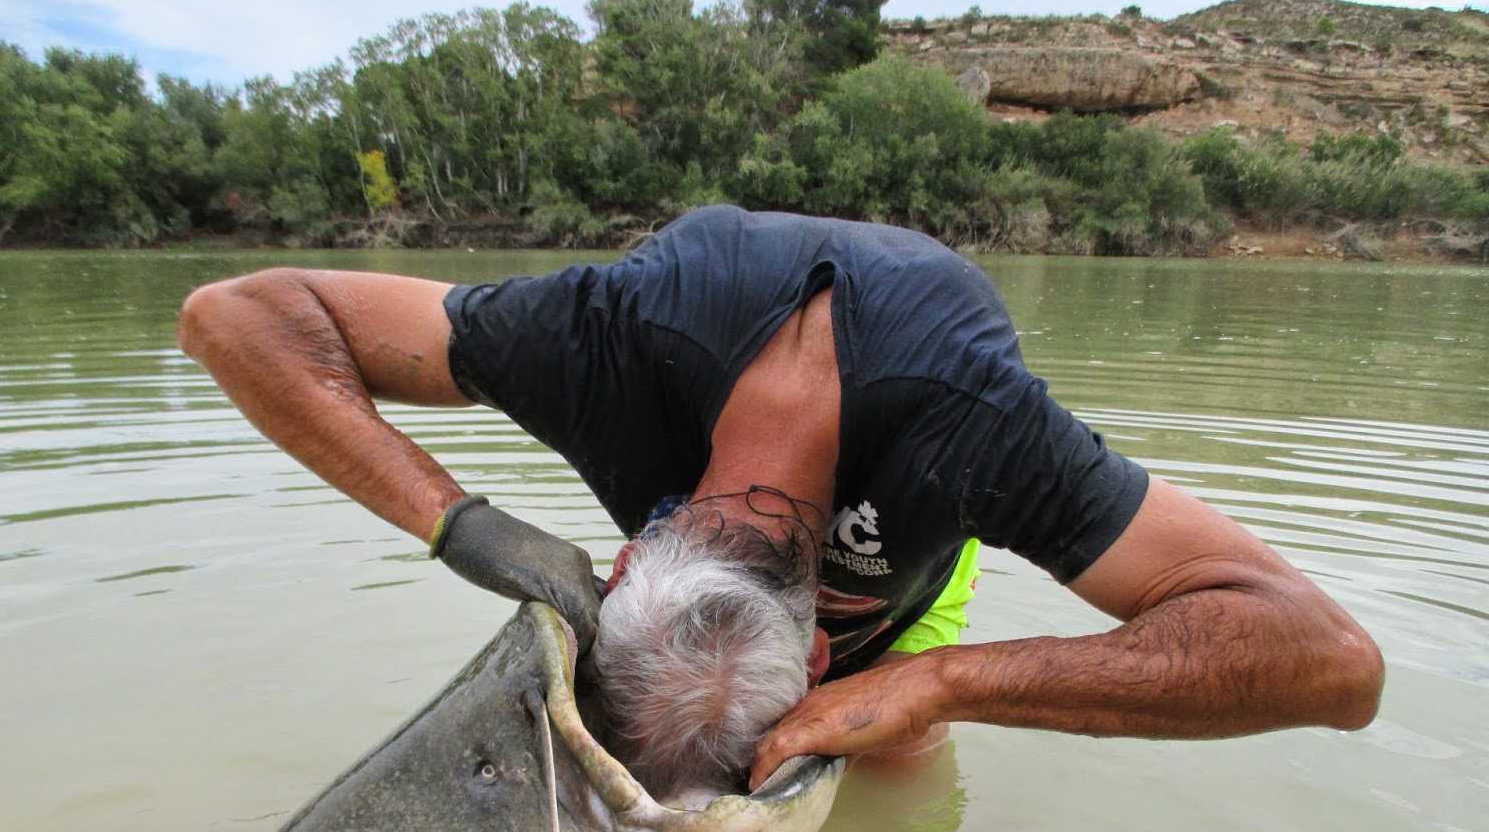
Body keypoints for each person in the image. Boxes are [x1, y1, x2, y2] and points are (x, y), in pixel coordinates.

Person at [177, 205, 1383, 791]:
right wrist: (459, 520)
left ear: (817, 656)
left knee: (900, 762)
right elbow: (237, 314)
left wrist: (936, 680)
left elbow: (1331, 661)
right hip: (711, 331)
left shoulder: (978, 429)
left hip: (912, 497)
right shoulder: (596, 340)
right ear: (627, 562)